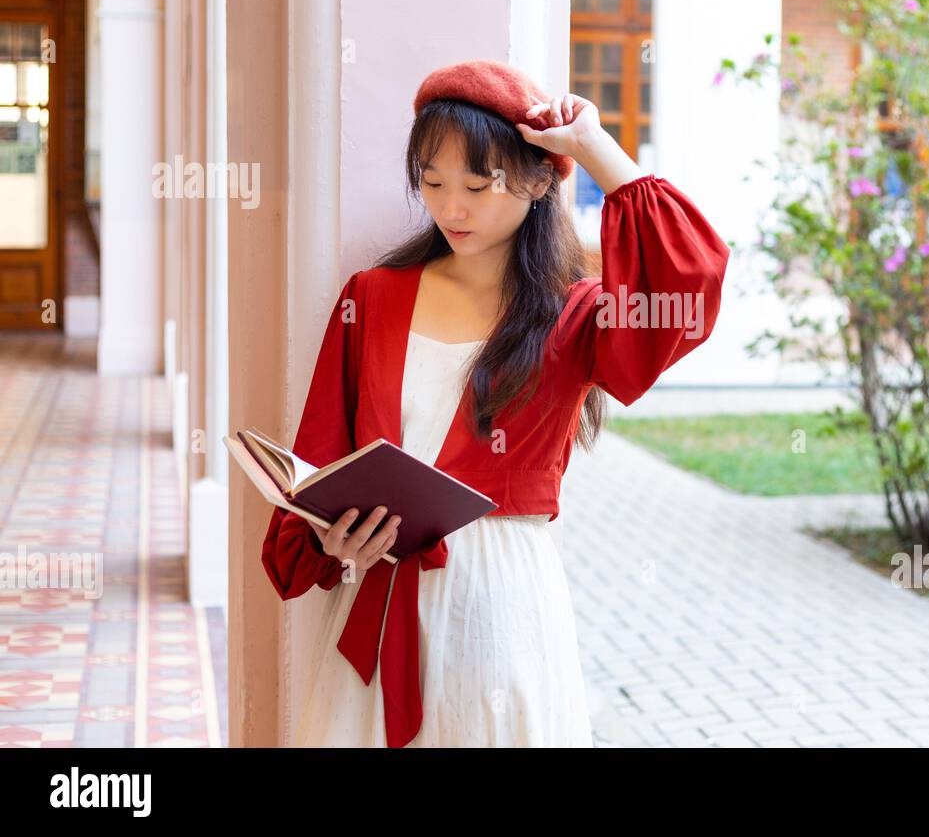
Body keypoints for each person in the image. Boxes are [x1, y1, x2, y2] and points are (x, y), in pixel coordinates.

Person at [260, 59, 731, 747]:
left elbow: (688, 279)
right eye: (433, 182)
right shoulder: (373, 297)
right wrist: (331, 539)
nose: (453, 208)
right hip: (381, 602)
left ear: (540, 180)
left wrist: (594, 149)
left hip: (505, 611)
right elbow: (320, 460)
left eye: (479, 185)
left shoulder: (574, 318)